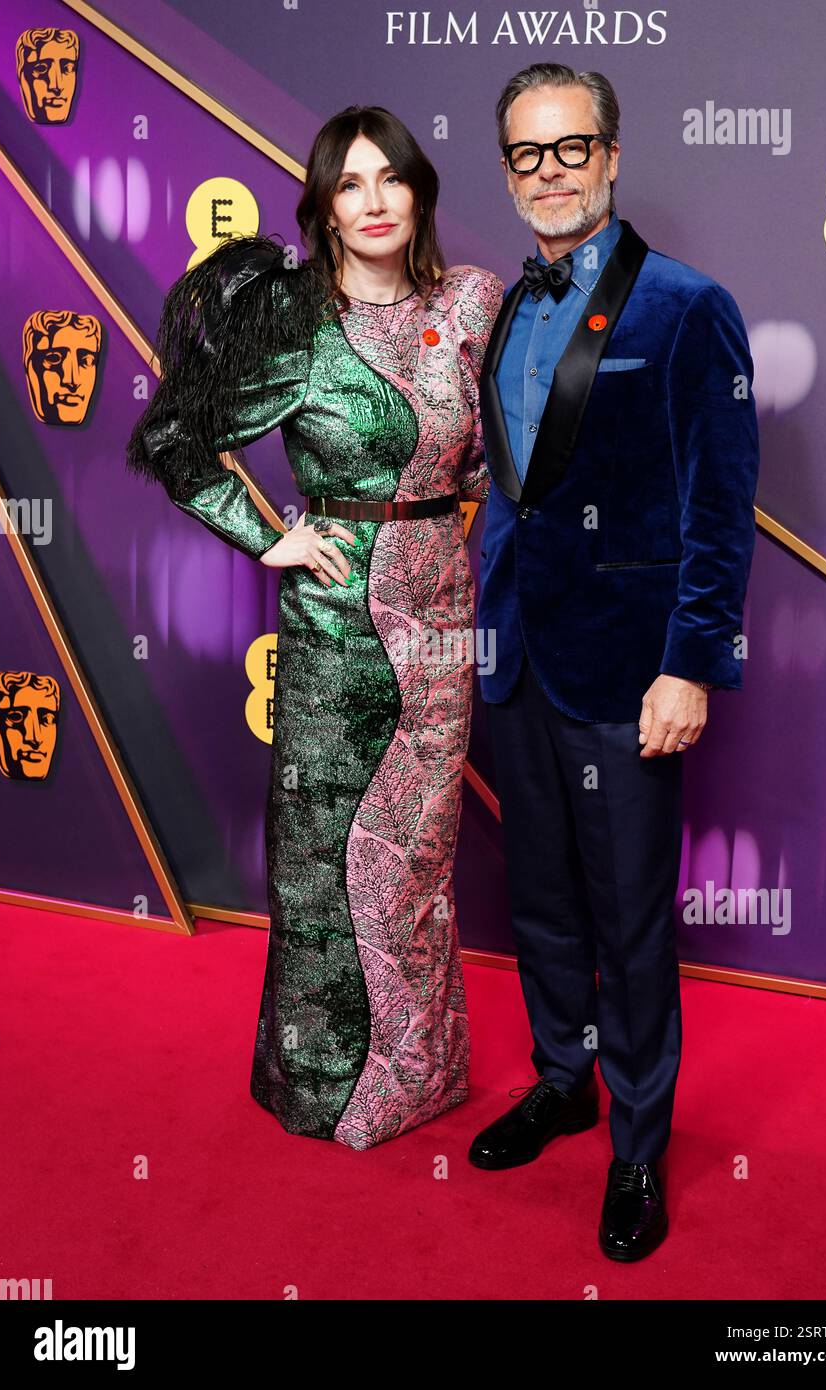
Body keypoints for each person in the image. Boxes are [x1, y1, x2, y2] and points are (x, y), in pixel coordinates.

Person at [126, 106, 503, 1150]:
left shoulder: (470, 303)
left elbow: (488, 459)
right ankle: (330, 1079)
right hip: (338, 626)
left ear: (419, 192)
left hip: (441, 611)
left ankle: (424, 1069)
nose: (375, 200)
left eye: (392, 178)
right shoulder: (299, 328)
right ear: (324, 208)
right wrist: (269, 536)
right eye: (350, 183)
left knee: (420, 854)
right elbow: (174, 437)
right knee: (326, 855)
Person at [469, 63, 759, 1260]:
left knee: (630, 920)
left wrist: (689, 663)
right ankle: (564, 1077)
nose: (550, 171)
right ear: (507, 169)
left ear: (612, 155)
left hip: (630, 671)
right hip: (518, 655)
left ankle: (637, 1141)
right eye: (527, 154)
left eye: (570, 147)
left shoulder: (686, 308)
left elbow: (718, 508)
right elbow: (511, 493)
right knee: (537, 897)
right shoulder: (500, 307)